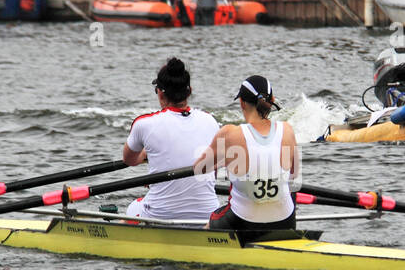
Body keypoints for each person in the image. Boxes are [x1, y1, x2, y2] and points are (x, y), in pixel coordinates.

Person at [194, 75, 299, 240]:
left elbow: (199, 168)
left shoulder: (229, 133)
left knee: (214, 216)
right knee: (289, 193)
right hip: (286, 221)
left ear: (242, 102)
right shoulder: (287, 129)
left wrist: (224, 160)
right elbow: (294, 177)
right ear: (272, 101)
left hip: (243, 221)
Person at [122, 58, 220, 220]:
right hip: (207, 214)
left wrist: (146, 155)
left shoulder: (144, 124)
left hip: (161, 215)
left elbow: (129, 160)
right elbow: (213, 172)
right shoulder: (210, 121)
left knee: (133, 208)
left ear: (160, 92)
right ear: (189, 91)